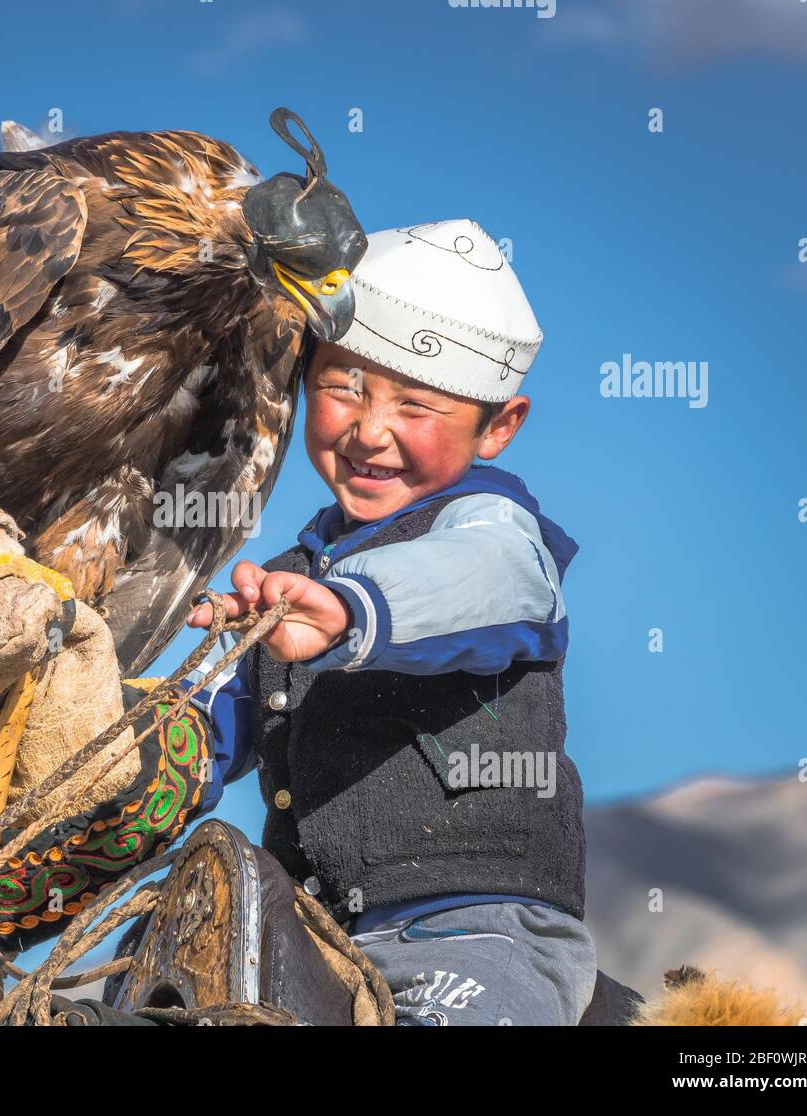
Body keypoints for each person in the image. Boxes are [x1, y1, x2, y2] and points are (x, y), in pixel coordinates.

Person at [182, 220, 596, 1026]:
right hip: (300, 941)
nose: (370, 429)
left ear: (499, 425)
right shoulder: (288, 585)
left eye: (415, 404)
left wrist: (348, 609)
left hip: (476, 936)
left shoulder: (499, 534)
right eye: (343, 387)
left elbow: (470, 579)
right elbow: (203, 738)